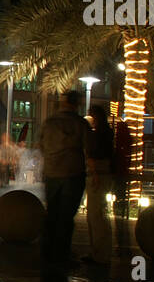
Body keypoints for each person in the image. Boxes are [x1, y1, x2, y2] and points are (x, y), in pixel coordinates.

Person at [40, 90, 91, 266]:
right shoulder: (80, 123)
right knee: (66, 216)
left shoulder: (49, 123)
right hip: (72, 174)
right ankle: (62, 253)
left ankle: (47, 250)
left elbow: (41, 146)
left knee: (52, 213)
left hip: (52, 173)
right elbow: (89, 148)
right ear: (76, 104)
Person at [84, 104, 114, 264]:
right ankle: (101, 252)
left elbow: (92, 156)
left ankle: (98, 253)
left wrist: (94, 173)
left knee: (95, 216)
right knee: (101, 215)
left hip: (97, 175)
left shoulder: (97, 135)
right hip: (105, 175)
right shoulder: (108, 133)